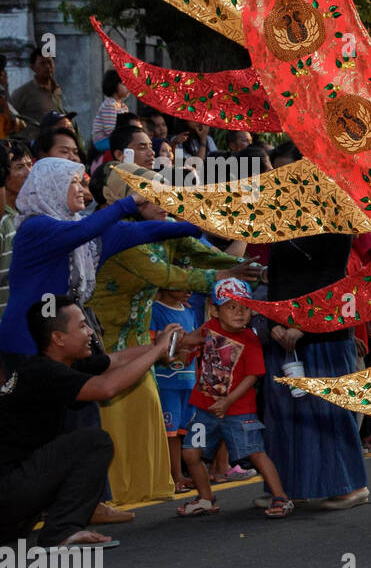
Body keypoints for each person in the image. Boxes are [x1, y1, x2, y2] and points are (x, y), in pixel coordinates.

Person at [88, 167, 247, 505]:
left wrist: (246, 270)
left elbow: (202, 253)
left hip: (139, 342)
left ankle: (141, 488)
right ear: (124, 195)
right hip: (105, 340)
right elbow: (167, 275)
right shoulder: (118, 233)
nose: (162, 199)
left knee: (144, 406)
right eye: (149, 193)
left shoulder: (164, 231)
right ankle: (108, 495)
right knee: (112, 414)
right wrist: (223, 277)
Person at [0, 296, 192, 549]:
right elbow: (106, 389)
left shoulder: (59, 365)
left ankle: (53, 525)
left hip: (13, 499)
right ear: (58, 338)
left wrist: (169, 343)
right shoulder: (43, 372)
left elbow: (119, 360)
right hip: (8, 494)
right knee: (94, 442)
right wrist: (158, 350)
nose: (91, 330)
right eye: (81, 326)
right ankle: (60, 532)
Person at [0, 157, 199, 361]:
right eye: (72, 182)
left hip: (62, 346)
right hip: (24, 342)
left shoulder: (88, 232)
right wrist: (130, 202)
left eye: (81, 182)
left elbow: (147, 230)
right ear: (50, 186)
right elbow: (81, 232)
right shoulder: (35, 228)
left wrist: (201, 225)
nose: (81, 189)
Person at [260, 235, 369, 507]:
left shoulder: (336, 220)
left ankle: (350, 485)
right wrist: (272, 323)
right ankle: (285, 488)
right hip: (283, 333)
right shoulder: (280, 218)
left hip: (326, 334)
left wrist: (306, 325)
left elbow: (333, 280)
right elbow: (275, 278)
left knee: (328, 410)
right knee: (284, 412)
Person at [178, 277, 292, 519]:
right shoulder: (209, 328)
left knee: (255, 453)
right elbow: (188, 340)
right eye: (231, 307)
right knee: (191, 453)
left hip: (239, 411)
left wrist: (228, 401)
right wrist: (180, 339)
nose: (240, 313)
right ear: (214, 310)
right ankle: (206, 498)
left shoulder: (250, 339)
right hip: (205, 409)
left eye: (244, 307)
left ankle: (281, 497)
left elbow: (253, 376)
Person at [151, 288, 201, 491]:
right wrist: (176, 348)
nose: (188, 289)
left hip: (188, 381)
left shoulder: (190, 312)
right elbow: (154, 346)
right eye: (181, 283)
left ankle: (187, 473)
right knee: (169, 433)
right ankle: (175, 476)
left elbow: (196, 347)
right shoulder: (155, 310)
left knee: (184, 430)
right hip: (167, 382)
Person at [0, 139, 34, 320]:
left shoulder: (29, 214)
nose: (29, 172)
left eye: (30, 164)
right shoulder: (3, 221)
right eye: (19, 167)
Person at [7, 50, 68, 132]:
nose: (47, 66)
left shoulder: (57, 90)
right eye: (42, 63)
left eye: (49, 62)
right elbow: (9, 117)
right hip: (33, 142)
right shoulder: (23, 92)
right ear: (33, 67)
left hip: (56, 140)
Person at [91, 70, 131, 156]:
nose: (128, 87)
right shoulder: (109, 105)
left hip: (114, 139)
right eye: (124, 84)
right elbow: (110, 131)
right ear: (114, 86)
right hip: (102, 141)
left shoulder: (123, 106)